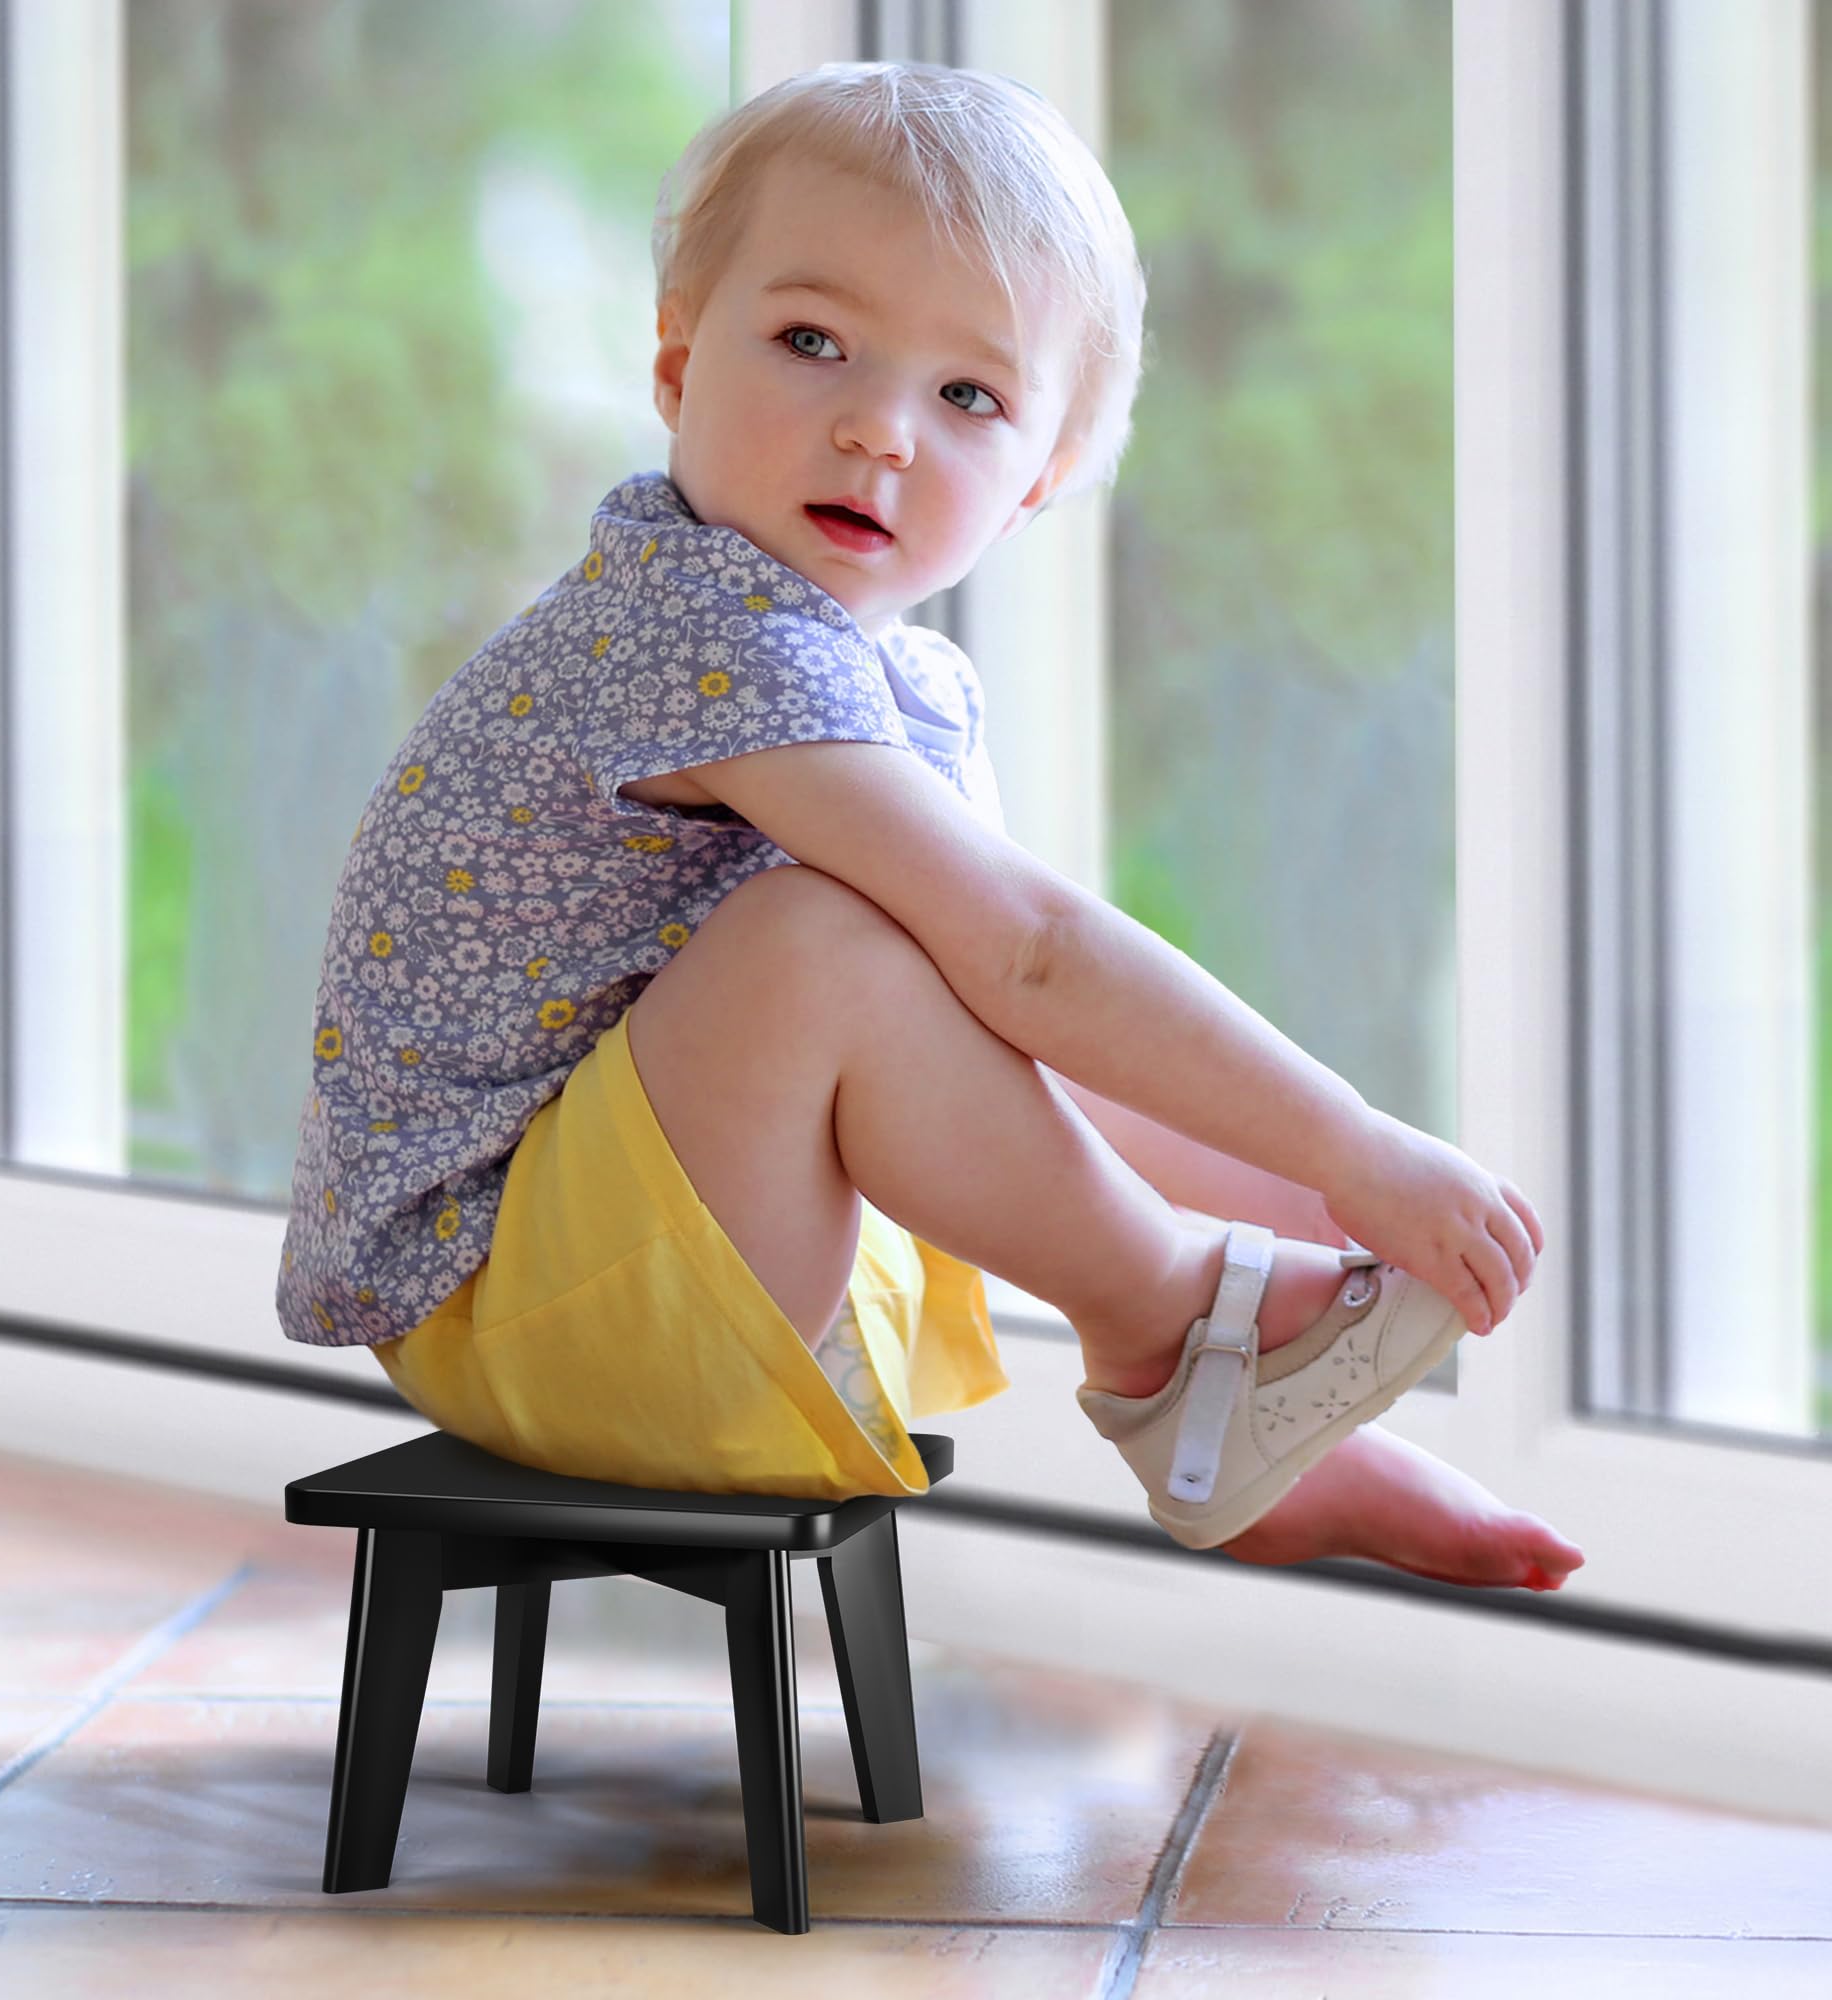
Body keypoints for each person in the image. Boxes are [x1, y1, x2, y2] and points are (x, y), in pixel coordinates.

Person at [275, 61, 1584, 1591]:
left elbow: (1011, 1020)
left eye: (968, 395)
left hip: (676, 1255)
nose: (879, 429)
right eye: (811, 342)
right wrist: (1352, 1147)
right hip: (515, 1301)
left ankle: (1227, 1384)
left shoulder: (898, 688)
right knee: (826, 937)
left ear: (1037, 488)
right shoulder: (695, 623)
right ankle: (1176, 1326)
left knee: (905, 953)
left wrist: (1314, 1196)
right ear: (677, 367)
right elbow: (1031, 954)